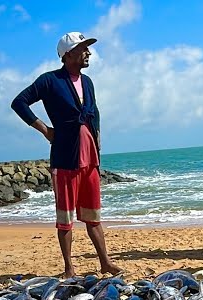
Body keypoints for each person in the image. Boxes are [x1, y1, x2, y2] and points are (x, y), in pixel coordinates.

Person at [11, 32, 122, 278]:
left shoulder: (88, 82)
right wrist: (45, 130)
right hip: (65, 158)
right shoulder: (49, 81)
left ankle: (105, 262)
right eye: (83, 48)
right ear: (68, 54)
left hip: (90, 159)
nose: (88, 53)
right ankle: (69, 268)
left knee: (93, 215)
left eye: (87, 48)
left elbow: (95, 111)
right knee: (66, 218)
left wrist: (98, 136)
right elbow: (19, 102)